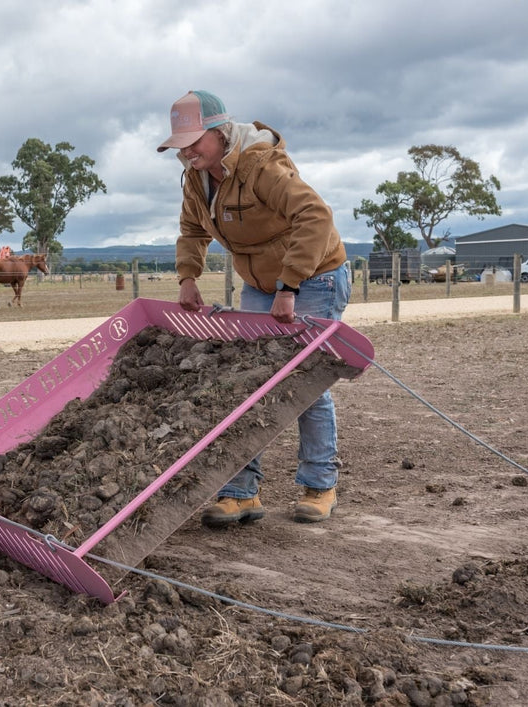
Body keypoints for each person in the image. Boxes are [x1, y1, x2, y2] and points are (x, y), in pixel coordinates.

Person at [157, 90, 350, 527]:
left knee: (306, 383)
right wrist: (188, 278)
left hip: (313, 277)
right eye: (180, 144)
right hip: (261, 284)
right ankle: (241, 493)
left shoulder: (262, 165)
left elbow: (316, 217)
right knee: (248, 384)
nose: (187, 151)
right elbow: (191, 229)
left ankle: (320, 486)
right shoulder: (196, 177)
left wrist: (290, 286)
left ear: (220, 132)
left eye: (194, 140)